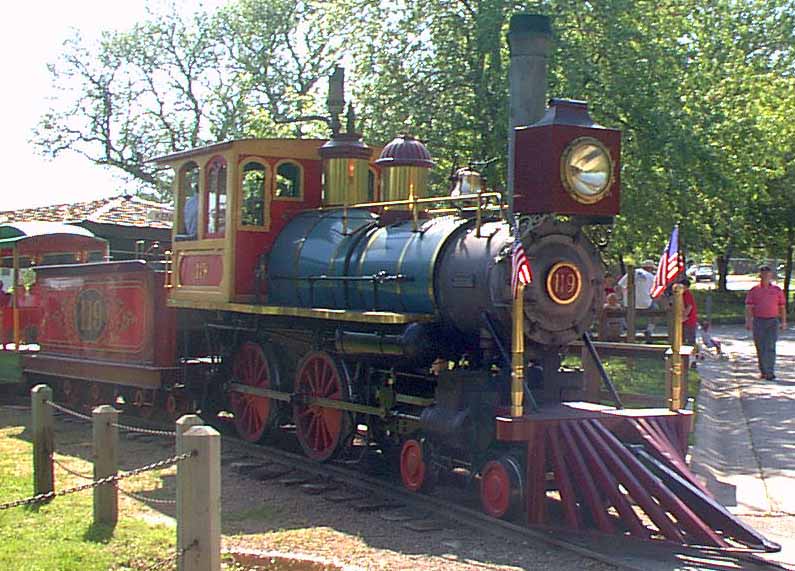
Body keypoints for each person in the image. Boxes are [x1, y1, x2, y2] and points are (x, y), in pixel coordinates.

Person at [745, 265, 787, 380]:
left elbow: (782, 307)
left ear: (771, 276)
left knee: (770, 346)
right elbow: (749, 307)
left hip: (772, 321)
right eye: (763, 275)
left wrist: (783, 322)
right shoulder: (754, 290)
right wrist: (748, 321)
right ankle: (763, 370)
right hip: (758, 320)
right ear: (760, 276)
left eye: (768, 275)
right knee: (760, 346)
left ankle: (770, 371)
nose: (766, 277)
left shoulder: (777, 290)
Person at [680, 279, 698, 347]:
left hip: (689, 319)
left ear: (686, 287)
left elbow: (689, 306)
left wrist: (684, 316)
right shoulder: (682, 294)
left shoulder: (687, 294)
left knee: (690, 337)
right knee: (684, 335)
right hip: (686, 319)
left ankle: (693, 350)